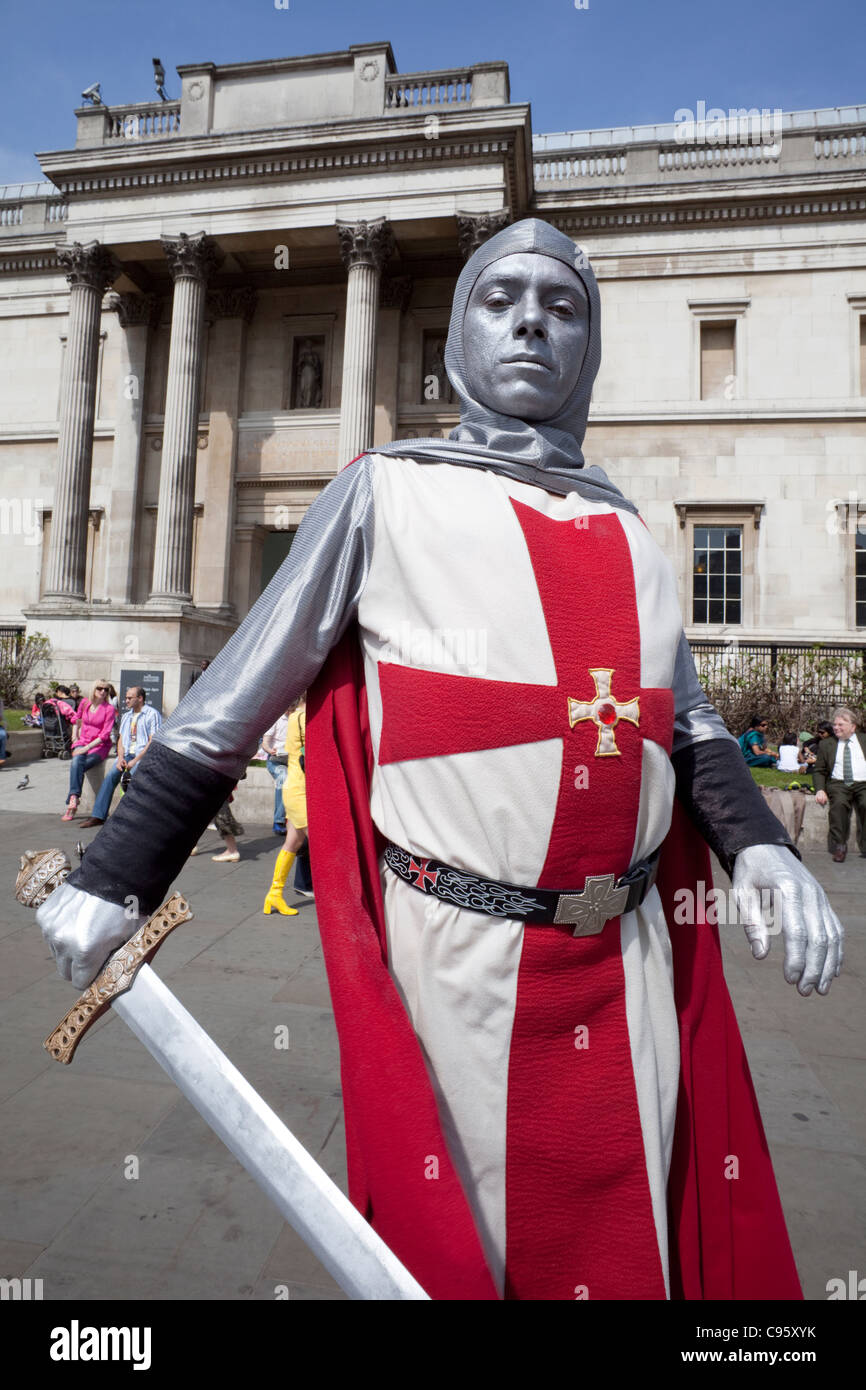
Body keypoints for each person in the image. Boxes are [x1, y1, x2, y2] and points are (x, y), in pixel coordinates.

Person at [37, 219, 844, 1302]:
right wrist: (117, 869)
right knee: (465, 1251)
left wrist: (761, 851)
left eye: (561, 307)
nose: (527, 322)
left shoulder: (632, 531)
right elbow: (232, 701)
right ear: (458, 330)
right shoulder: (383, 491)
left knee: (636, 1239)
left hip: (631, 958)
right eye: (497, 298)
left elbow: (682, 722)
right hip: (459, 961)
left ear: (589, 346)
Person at [78, 688, 162, 828]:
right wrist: (121, 757)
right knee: (110, 777)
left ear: (140, 698)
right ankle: (98, 816)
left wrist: (135, 761)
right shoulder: (127, 716)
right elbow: (121, 740)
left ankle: (129, 819)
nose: (126, 701)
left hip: (142, 755)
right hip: (127, 754)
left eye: (130, 698)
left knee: (132, 779)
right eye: (126, 698)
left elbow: (152, 742)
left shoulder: (152, 714)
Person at [263, 697, 308, 917]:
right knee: (322, 846)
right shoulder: (303, 718)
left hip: (295, 786)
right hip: (300, 789)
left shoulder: (293, 718)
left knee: (293, 842)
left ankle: (274, 894)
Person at [812, 706, 866, 862]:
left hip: (863, 783)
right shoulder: (827, 744)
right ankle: (840, 845)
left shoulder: (863, 740)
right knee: (838, 806)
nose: (836, 728)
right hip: (839, 783)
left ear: (853, 727)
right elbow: (819, 770)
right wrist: (820, 789)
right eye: (835, 724)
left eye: (841, 724)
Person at [61, 682, 116, 820]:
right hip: (82, 741)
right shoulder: (85, 703)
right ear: (93, 689)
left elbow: (105, 734)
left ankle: (72, 798)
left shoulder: (109, 709)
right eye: (99, 688)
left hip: (99, 746)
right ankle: (74, 798)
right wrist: (75, 737)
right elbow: (76, 719)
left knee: (78, 766)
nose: (103, 691)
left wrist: (86, 748)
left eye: (106, 689)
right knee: (77, 761)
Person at [261, 707, 292, 835]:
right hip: (276, 760)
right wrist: (269, 750)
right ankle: (278, 820)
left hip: (294, 760)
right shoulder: (277, 720)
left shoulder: (299, 717)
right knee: (283, 778)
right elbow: (265, 743)